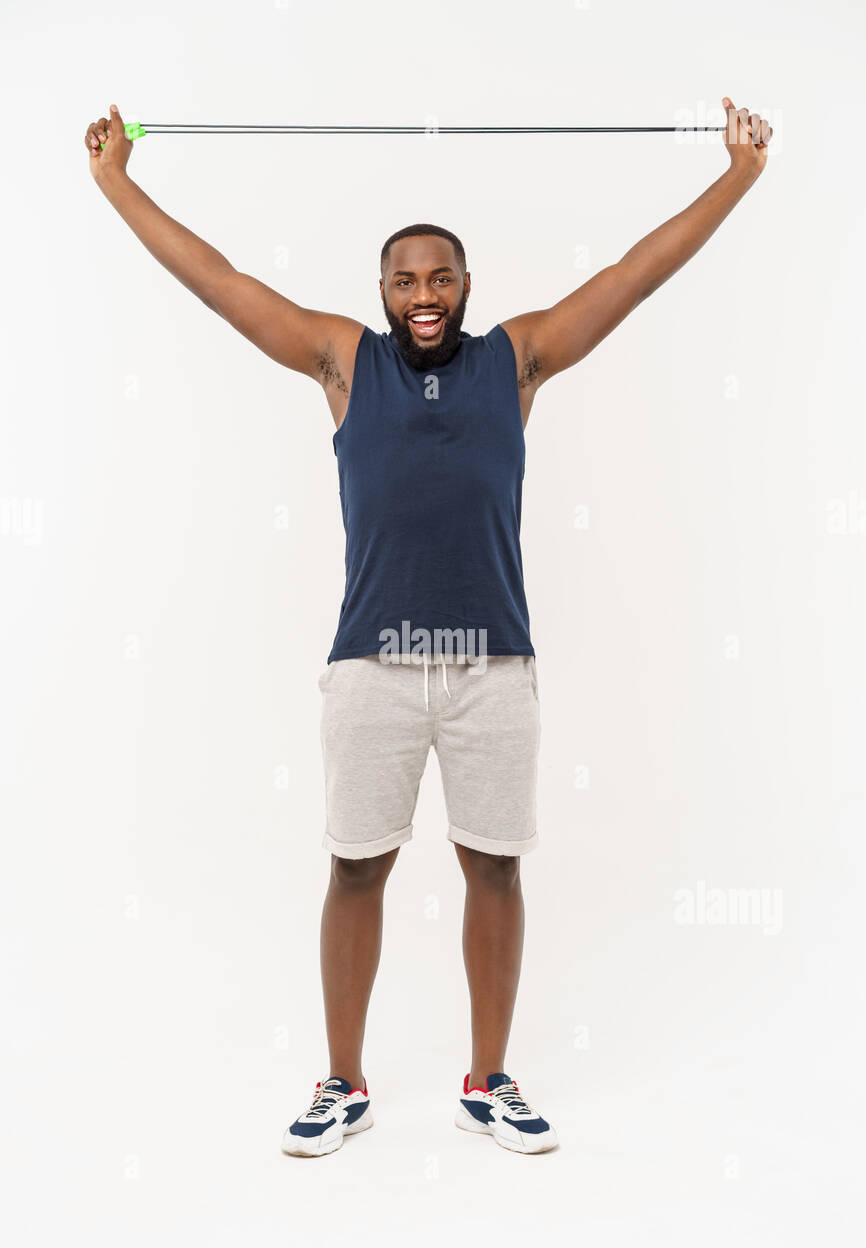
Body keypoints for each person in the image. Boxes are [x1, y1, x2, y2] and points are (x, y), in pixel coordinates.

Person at [85, 97, 772, 1158]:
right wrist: (119, 184)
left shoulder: (519, 358)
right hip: (371, 667)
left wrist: (735, 175)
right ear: (380, 292)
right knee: (355, 867)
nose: (422, 294)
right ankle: (341, 1081)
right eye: (403, 278)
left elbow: (632, 276)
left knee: (493, 865)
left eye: (439, 276)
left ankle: (488, 1079)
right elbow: (221, 283)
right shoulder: (339, 358)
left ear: (466, 288)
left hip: (493, 666)